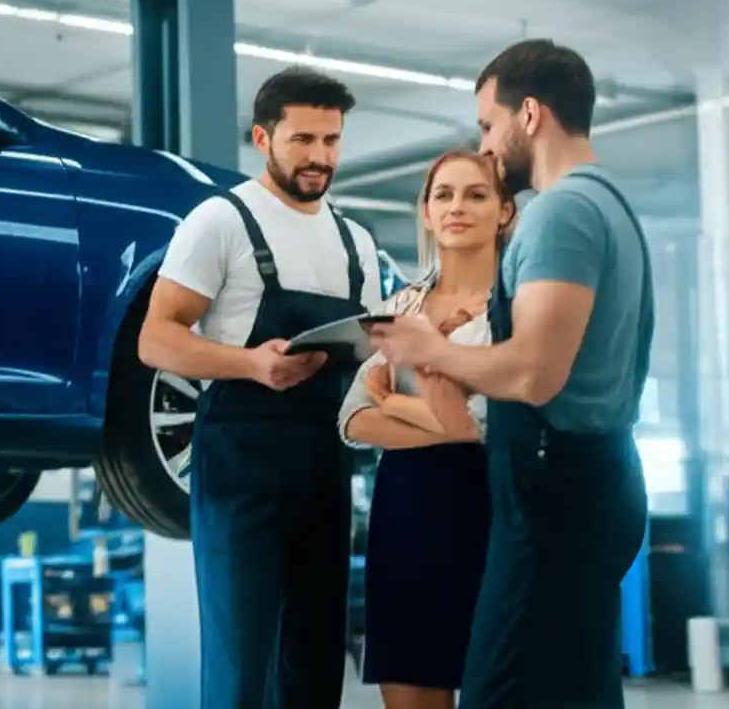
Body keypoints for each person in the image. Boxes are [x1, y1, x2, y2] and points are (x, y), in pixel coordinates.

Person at [367, 39, 655, 709]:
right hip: (593, 478)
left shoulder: (561, 211)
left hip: (554, 490)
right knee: (570, 690)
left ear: (529, 115)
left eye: (488, 124)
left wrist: (429, 350)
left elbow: (533, 373)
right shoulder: (612, 204)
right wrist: (448, 376)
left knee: (504, 692)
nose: (487, 145)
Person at [137, 65, 384, 708]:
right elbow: (155, 339)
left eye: (331, 141)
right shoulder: (219, 220)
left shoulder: (355, 242)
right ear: (262, 138)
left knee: (314, 658)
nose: (319, 157)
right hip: (240, 458)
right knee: (241, 658)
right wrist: (251, 364)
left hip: (326, 464)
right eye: (303, 140)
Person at [339, 150, 514, 709]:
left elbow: (488, 426)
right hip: (408, 515)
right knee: (411, 684)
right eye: (444, 195)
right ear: (427, 212)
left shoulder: (514, 310)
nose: (457, 207)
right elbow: (353, 418)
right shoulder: (400, 307)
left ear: (505, 211)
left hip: (493, 513)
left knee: (497, 680)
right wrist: (453, 418)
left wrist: (405, 408)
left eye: (475, 194)